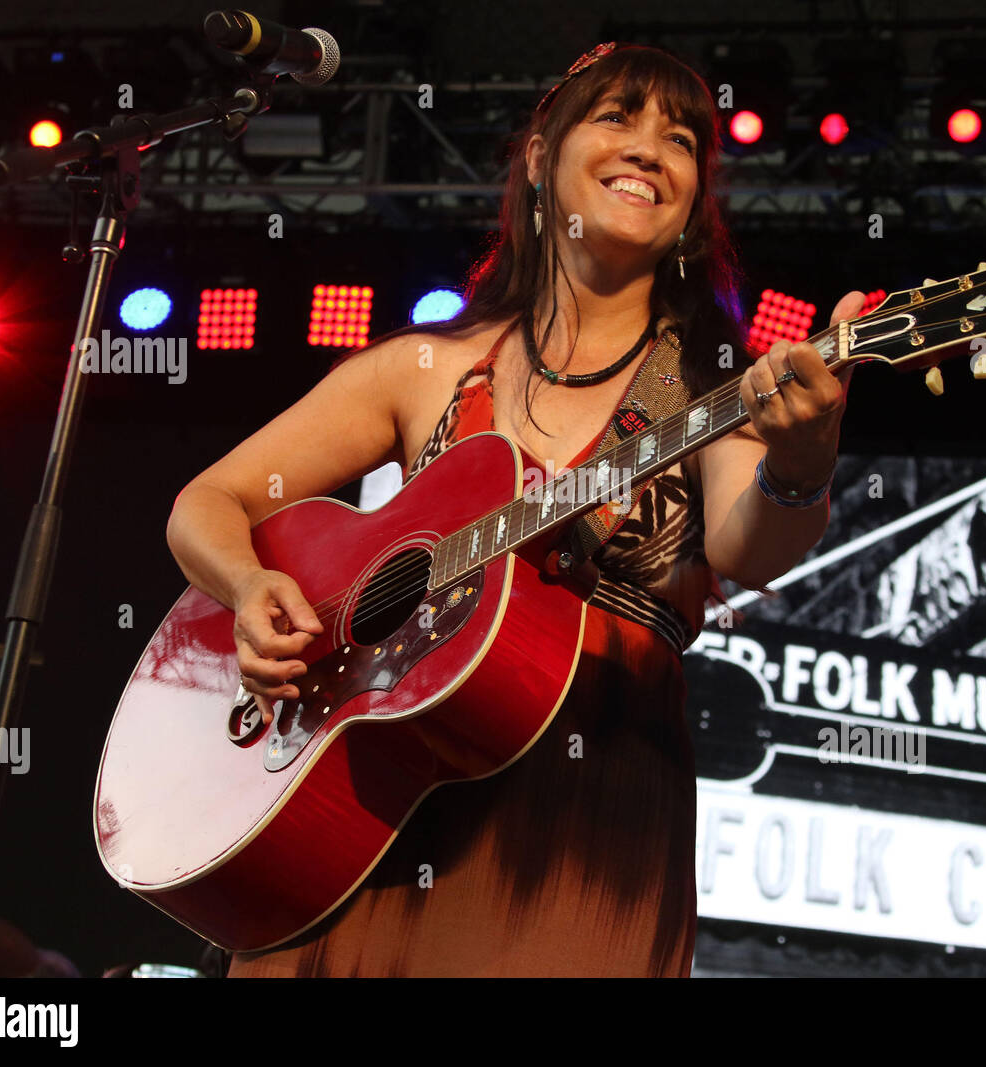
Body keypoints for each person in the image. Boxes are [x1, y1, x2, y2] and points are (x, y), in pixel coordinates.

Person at [165, 42, 863, 977]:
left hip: (583, 827)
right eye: (617, 117)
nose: (652, 148)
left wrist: (804, 458)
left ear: (696, 197)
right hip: (364, 803)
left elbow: (751, 547)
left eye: (683, 138)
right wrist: (251, 588)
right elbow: (206, 502)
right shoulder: (427, 368)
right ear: (541, 158)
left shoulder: (714, 384)